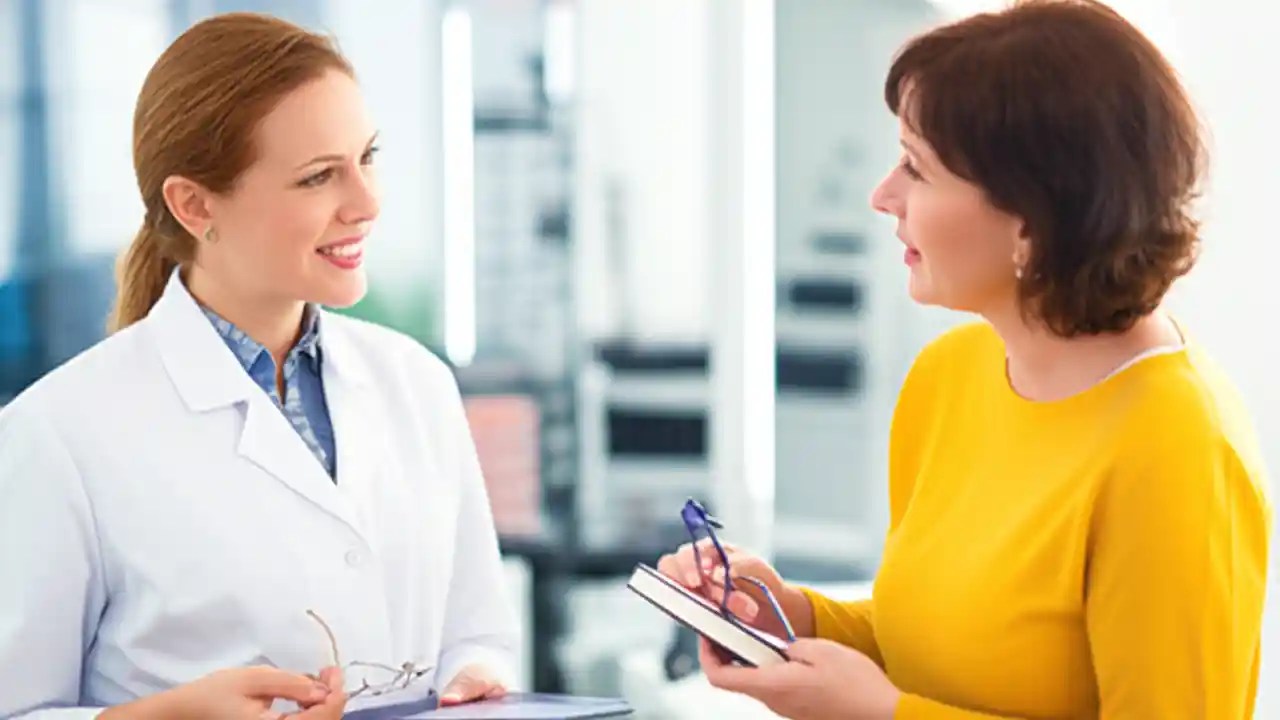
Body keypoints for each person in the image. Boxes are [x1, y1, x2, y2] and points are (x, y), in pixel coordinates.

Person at [658, 1, 1271, 718]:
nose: (883, 196)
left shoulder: (1177, 446)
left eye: (917, 168)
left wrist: (880, 716)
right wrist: (792, 619)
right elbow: (937, 650)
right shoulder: (950, 376)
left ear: (1033, 221)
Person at [0, 12, 516, 718]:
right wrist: (155, 718)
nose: (366, 203)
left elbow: (477, 634)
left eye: (368, 157)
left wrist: (477, 676)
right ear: (194, 204)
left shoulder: (417, 382)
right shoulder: (55, 435)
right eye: (317, 178)